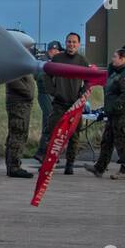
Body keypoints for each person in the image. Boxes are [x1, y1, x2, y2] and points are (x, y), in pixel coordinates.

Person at [86, 49, 125, 179]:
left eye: (115, 57)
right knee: (107, 140)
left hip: (123, 113)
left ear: (123, 59)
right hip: (114, 113)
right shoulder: (116, 73)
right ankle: (99, 168)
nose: (112, 59)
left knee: (121, 140)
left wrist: (114, 106)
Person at [45, 32, 89, 175]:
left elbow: (89, 80)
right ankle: (49, 163)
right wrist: (53, 91)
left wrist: (82, 93)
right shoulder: (57, 58)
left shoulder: (82, 61)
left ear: (78, 44)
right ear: (65, 43)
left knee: (74, 136)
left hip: (75, 105)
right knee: (53, 133)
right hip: (59, 103)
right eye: (69, 42)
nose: (71, 44)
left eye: (74, 42)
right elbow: (47, 75)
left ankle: (70, 164)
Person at [5, 66, 36, 178]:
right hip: (19, 103)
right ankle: (14, 166)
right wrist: (28, 93)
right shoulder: (13, 64)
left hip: (23, 103)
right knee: (18, 133)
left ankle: (13, 164)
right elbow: (11, 80)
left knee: (18, 133)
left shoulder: (20, 63)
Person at [36, 39, 62, 158]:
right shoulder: (43, 61)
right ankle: (43, 151)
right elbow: (37, 76)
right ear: (53, 50)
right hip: (45, 93)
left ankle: (45, 150)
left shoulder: (51, 61)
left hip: (51, 94)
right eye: (57, 51)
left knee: (50, 121)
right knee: (48, 121)